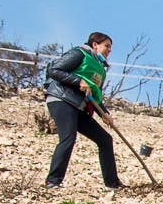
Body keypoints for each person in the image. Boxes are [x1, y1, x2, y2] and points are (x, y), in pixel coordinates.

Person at [44, 32, 122, 190]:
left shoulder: (100, 69)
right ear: (95, 44)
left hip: (79, 107)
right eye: (106, 46)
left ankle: (113, 183)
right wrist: (78, 80)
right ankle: (53, 181)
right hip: (62, 100)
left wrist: (104, 114)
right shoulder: (78, 54)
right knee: (68, 137)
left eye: (110, 48)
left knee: (105, 140)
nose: (109, 50)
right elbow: (54, 70)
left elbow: (95, 96)